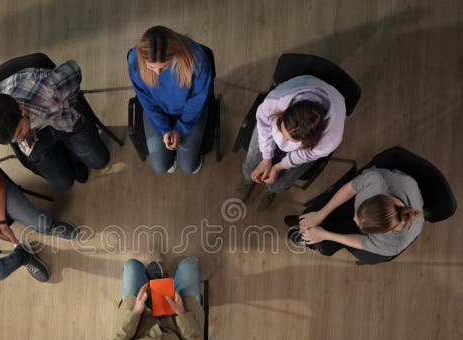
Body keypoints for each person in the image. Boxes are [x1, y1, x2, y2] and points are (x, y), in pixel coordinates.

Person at [0, 59, 110, 192]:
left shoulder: (49, 89)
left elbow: (74, 69)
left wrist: (69, 100)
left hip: (62, 118)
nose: (21, 139)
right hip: (35, 139)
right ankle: (71, 159)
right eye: (14, 139)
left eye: (20, 132)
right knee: (64, 184)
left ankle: (74, 157)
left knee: (100, 161)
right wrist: (20, 132)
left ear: (22, 110)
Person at [234, 75, 346, 211]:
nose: (282, 142)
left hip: (317, 132)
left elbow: (306, 155)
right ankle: (248, 180)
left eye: (290, 140)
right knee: (252, 165)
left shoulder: (329, 141)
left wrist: (278, 167)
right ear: (284, 114)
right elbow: (263, 125)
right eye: (282, 131)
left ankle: (271, 191)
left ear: (308, 142)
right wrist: (267, 157)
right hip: (289, 101)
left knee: (280, 183)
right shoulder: (274, 102)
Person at [128, 26, 213, 174]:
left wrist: (180, 130)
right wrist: (165, 129)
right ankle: (172, 159)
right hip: (157, 111)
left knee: (188, 167)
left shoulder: (198, 61)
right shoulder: (135, 61)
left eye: (164, 67)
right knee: (160, 167)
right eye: (152, 67)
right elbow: (145, 100)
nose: (157, 73)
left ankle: (190, 160)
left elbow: (198, 99)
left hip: (191, 110)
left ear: (175, 54)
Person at [288, 167, 424, 257]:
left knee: (325, 246)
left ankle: (304, 235)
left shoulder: (393, 243)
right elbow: (349, 189)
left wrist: (324, 234)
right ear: (380, 197)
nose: (354, 219)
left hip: (375, 238)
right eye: (357, 216)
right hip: (358, 204)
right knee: (313, 212)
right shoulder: (378, 180)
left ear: (385, 231)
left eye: (359, 222)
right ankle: (303, 226)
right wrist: (321, 214)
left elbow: (362, 242)